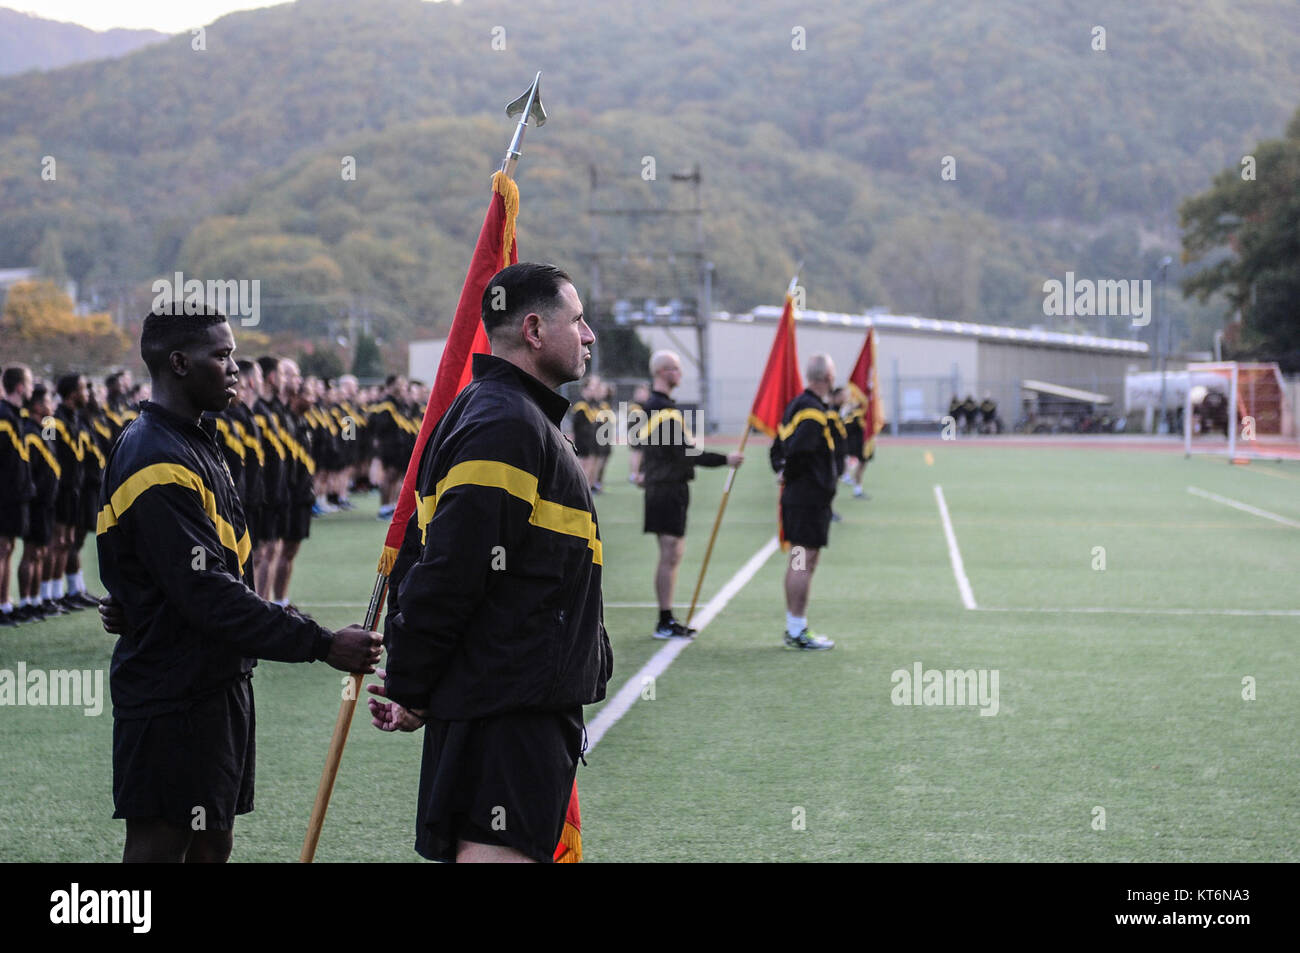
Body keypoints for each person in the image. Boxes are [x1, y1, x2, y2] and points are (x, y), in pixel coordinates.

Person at [96, 304, 382, 863]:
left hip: (215, 680)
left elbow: (188, 570)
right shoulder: (155, 456)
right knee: (160, 846)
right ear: (179, 363)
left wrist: (139, 597)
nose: (234, 368)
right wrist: (322, 644)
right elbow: (210, 595)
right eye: (221, 355)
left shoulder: (195, 438)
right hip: (173, 691)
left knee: (212, 838)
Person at [367, 262, 612, 864]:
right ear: (533, 329)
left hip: (510, 702)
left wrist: (418, 689)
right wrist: (414, 685)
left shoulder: (515, 415)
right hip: (508, 712)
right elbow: (448, 570)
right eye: (577, 320)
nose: (589, 335)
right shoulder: (505, 422)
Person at [636, 350, 743, 639]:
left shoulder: (660, 407)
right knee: (670, 553)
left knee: (672, 554)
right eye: (675, 369)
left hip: (668, 486)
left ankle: (666, 618)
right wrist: (725, 459)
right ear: (661, 372)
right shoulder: (662, 409)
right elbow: (685, 453)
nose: (680, 374)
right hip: (667, 489)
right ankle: (665, 620)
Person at [770, 354, 839, 650]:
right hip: (807, 499)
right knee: (802, 561)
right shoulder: (811, 411)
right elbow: (798, 451)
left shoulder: (796, 405)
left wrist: (781, 470)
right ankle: (796, 628)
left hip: (802, 498)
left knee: (802, 560)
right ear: (828, 377)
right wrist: (789, 472)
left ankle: (795, 626)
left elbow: (777, 448)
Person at [1, 365, 35, 627]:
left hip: (15, 496)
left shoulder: (14, 415)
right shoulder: (4, 416)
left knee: (8, 548)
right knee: (2, 549)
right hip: (5, 495)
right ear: (20, 387)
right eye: (30, 383)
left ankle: (5, 604)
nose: (33, 389)